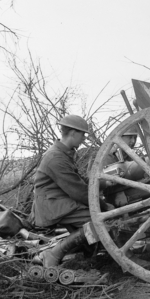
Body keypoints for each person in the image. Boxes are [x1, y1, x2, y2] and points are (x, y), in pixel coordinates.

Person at [32, 114, 94, 267]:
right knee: (100, 220)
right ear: (73, 133)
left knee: (97, 219)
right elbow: (78, 191)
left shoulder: (63, 152)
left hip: (57, 201)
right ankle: (52, 254)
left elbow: (77, 181)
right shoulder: (56, 158)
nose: (84, 139)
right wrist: (104, 206)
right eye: (82, 135)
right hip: (51, 206)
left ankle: (83, 255)